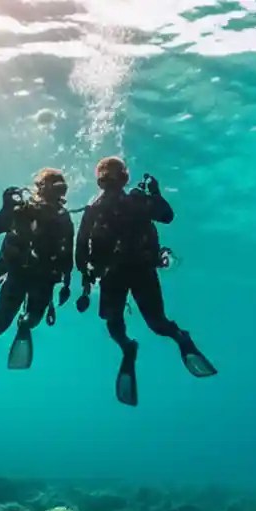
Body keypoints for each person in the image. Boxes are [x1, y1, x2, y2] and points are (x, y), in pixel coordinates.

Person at [75, 156, 216, 406]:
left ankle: (133, 347)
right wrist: (156, 194)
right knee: (150, 323)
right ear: (125, 177)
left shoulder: (99, 208)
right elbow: (167, 215)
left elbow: (80, 251)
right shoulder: (127, 203)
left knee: (120, 323)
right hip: (134, 272)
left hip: (121, 273)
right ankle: (176, 339)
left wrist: (85, 277)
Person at [0, 168, 74, 399]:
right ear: (40, 188)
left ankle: (20, 326)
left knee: (31, 321)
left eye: (59, 188)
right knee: (0, 325)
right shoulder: (22, 210)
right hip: (19, 276)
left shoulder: (63, 218)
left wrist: (67, 283)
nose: (54, 193)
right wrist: (5, 207)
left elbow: (67, 251)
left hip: (41, 279)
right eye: (51, 187)